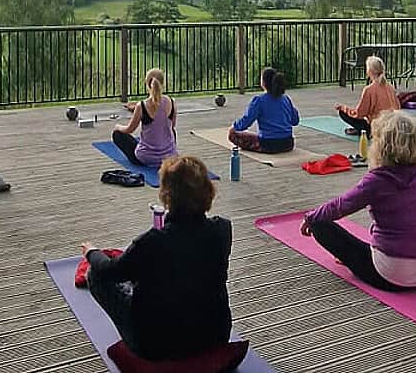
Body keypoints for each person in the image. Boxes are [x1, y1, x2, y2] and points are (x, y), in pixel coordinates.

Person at [81, 155, 231, 362]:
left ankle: (133, 338)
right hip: (215, 335)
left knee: (94, 274)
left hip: (156, 346)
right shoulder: (223, 229)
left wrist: (91, 252)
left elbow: (110, 270)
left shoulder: (151, 242)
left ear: (167, 195)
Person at [302, 110, 416, 289]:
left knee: (320, 225)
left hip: (392, 276)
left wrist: (310, 217)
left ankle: (357, 260)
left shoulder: (377, 180)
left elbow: (340, 206)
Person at [112, 68, 178, 167]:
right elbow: (172, 126)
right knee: (171, 131)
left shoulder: (141, 106)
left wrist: (118, 127)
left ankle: (149, 153)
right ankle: (165, 151)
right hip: (169, 158)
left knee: (117, 134)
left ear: (147, 84)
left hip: (145, 159)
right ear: (163, 83)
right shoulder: (171, 102)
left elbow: (129, 129)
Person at [228, 67, 300, 153]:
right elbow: (295, 121)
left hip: (268, 144)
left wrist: (234, 127)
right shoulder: (286, 98)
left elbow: (246, 121)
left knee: (233, 135)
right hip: (288, 143)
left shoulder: (259, 100)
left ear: (263, 82)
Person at [336, 55, 399, 136]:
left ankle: (364, 131)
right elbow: (398, 107)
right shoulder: (390, 87)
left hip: (377, 127)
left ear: (369, 71)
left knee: (342, 113)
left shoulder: (369, 90)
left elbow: (359, 114)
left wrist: (343, 108)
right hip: (392, 125)